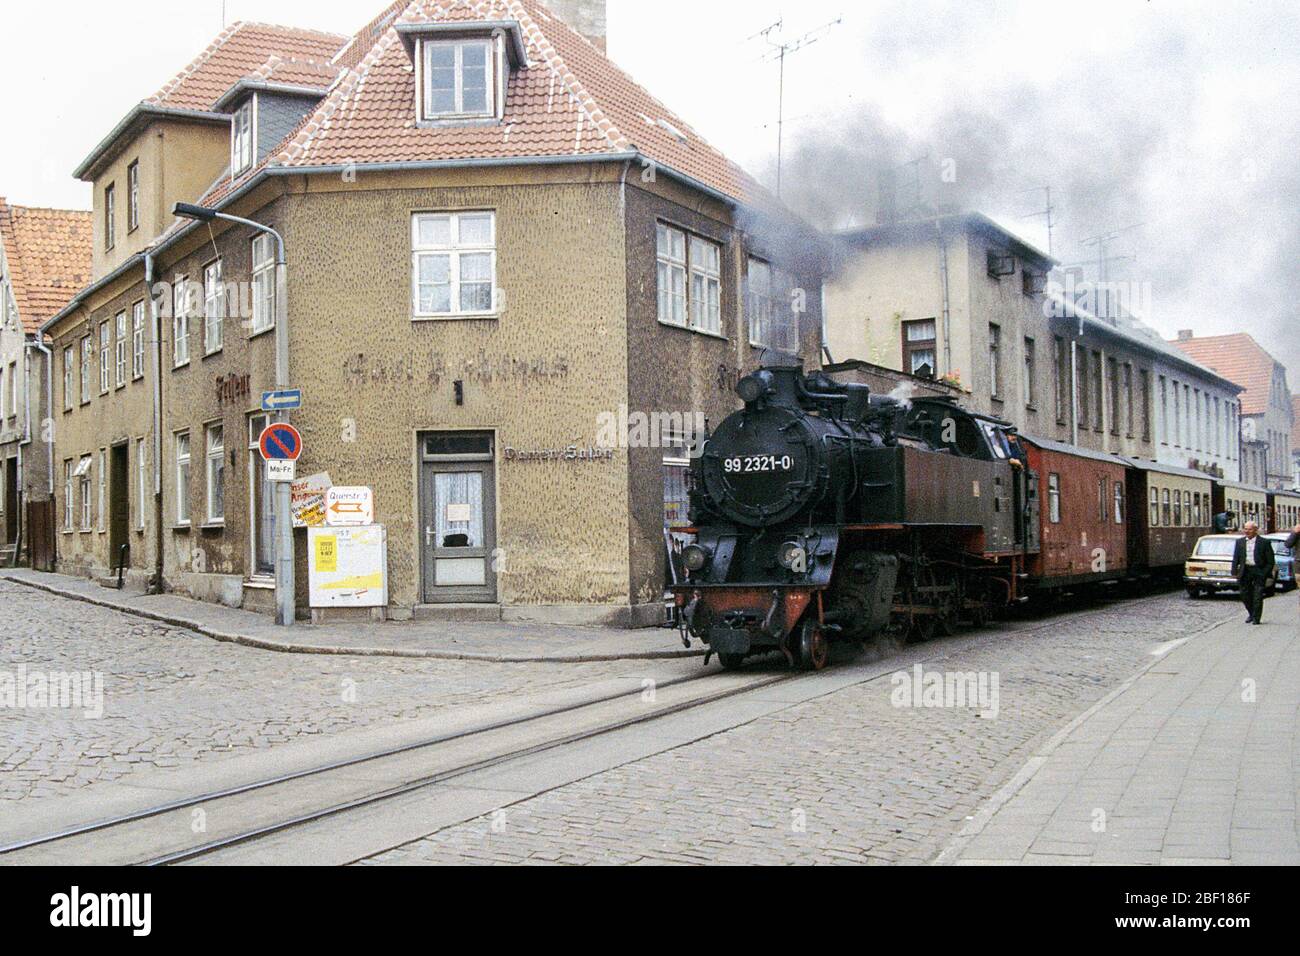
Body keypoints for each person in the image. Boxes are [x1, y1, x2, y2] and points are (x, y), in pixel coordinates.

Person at [1231, 521, 1276, 625]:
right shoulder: (1240, 542)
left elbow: (1270, 561)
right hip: (1245, 570)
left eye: (1250, 529)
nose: (1247, 531)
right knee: (1244, 595)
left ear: (1255, 530)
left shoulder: (1264, 542)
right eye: (1245, 529)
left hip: (1258, 570)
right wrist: (1234, 571)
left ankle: (1256, 618)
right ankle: (1251, 613)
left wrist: (1264, 572)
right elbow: (1236, 557)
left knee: (1258, 595)